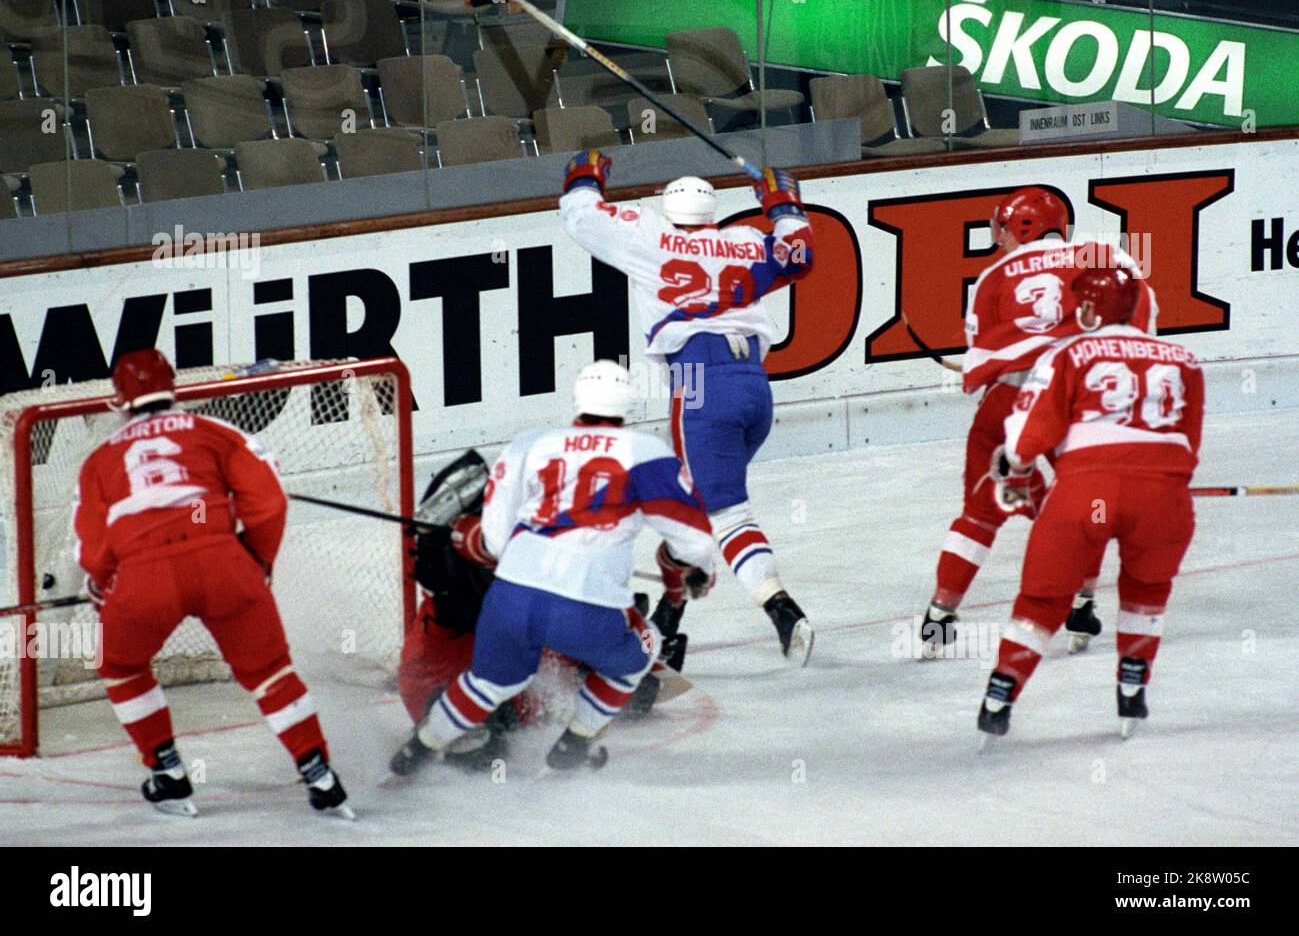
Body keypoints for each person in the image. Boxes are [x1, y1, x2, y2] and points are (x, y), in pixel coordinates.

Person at [389, 361, 715, 774]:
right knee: (636, 655)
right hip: (577, 607)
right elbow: (697, 541)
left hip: (509, 601)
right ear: (627, 406)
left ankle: (415, 750)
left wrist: (469, 537)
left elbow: (493, 542)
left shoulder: (529, 445)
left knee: (490, 685)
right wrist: (697, 570)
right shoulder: (644, 451)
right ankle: (575, 748)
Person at [559, 150, 816, 663]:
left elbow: (580, 214)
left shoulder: (646, 233)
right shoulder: (743, 242)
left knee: (722, 513)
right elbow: (799, 257)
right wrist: (784, 203)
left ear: (666, 206)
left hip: (700, 380)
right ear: (713, 211)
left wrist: (585, 171)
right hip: (755, 388)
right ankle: (669, 618)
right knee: (693, 505)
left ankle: (782, 610)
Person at [73, 348, 350, 818]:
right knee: (270, 672)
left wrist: (100, 583)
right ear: (174, 386)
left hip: (146, 574)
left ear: (118, 400)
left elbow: (93, 543)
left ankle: (170, 774)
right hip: (222, 561)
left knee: (120, 665)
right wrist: (256, 558)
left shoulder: (100, 460)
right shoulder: (216, 432)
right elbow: (269, 501)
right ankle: (320, 775)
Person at [919, 187, 1158, 656]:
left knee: (980, 513)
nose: (1000, 238)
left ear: (1022, 228)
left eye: (1004, 228)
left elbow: (981, 352)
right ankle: (1082, 607)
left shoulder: (993, 276)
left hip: (1011, 399)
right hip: (1077, 398)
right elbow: (1142, 314)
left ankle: (939, 620)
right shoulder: (1102, 256)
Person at [978, 267, 1203, 738]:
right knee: (1147, 592)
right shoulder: (1184, 359)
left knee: (1042, 598)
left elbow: (1024, 439)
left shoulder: (1068, 352)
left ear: (1087, 310)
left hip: (1086, 494)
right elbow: (1188, 444)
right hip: (1163, 499)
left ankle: (1001, 693)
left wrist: (1016, 467)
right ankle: (1131, 688)